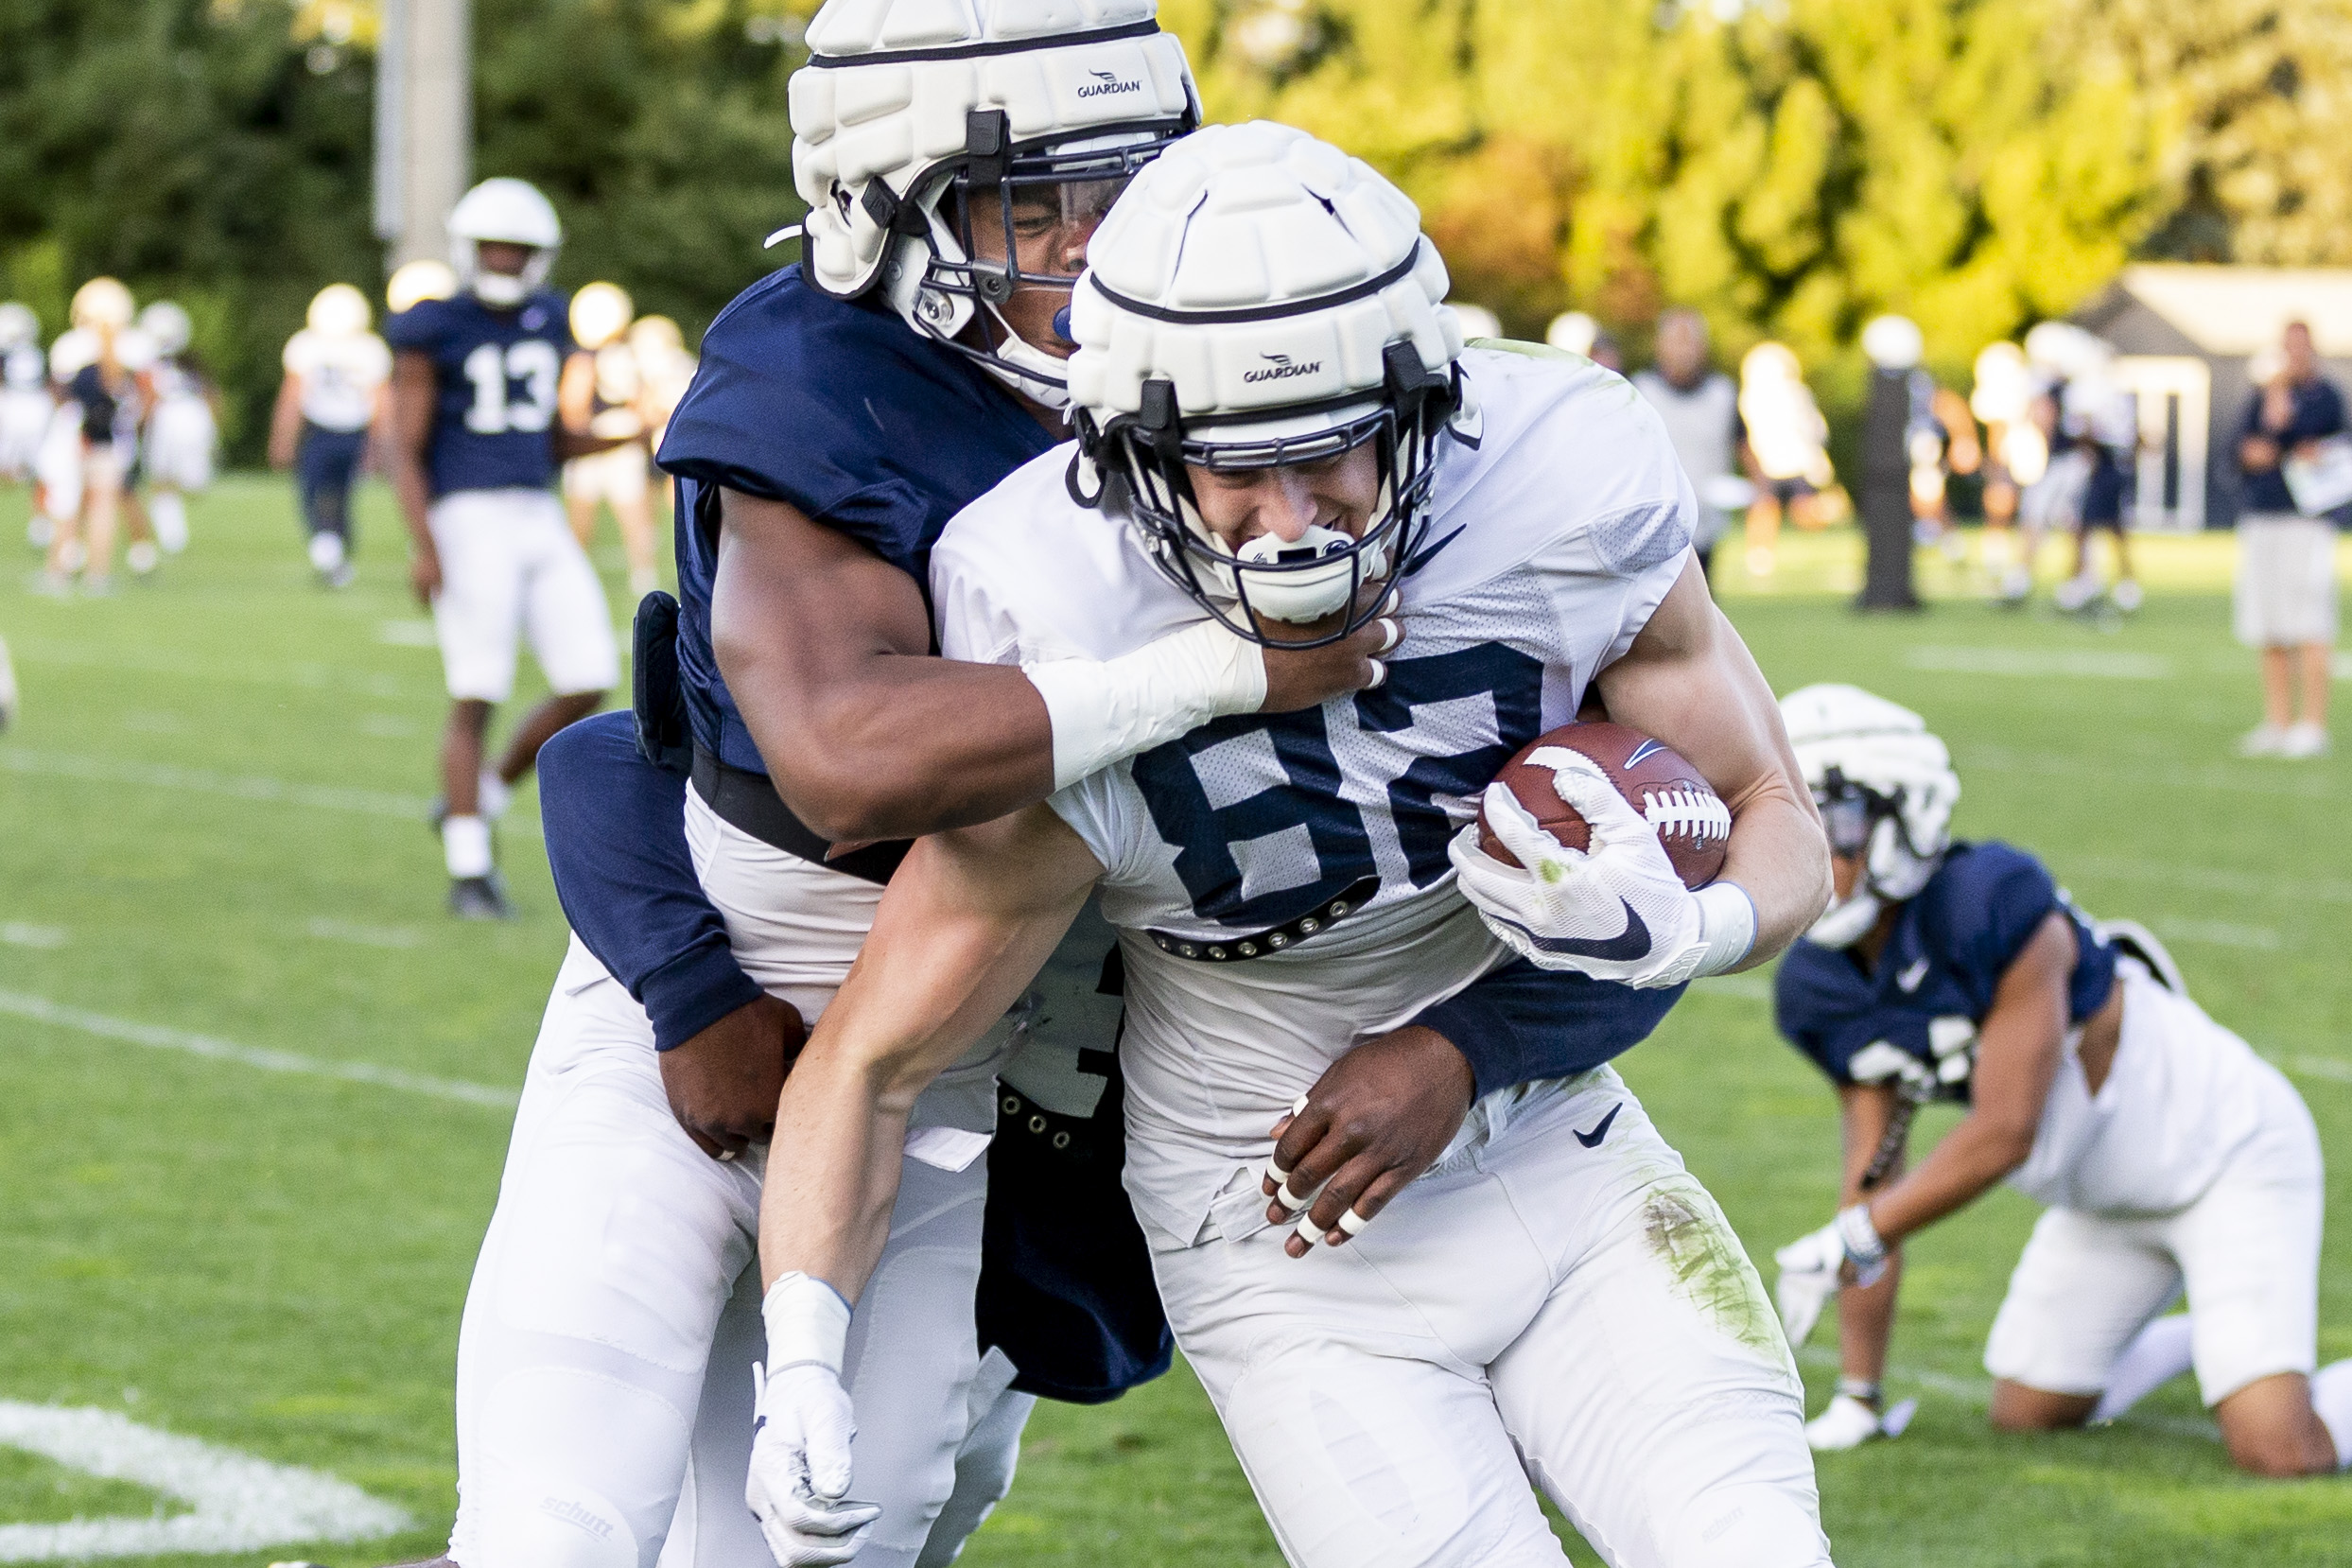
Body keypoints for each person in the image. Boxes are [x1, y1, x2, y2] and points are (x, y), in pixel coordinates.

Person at [747, 121, 1839, 1568]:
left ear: (1417, 409)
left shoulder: (1554, 479)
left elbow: (1776, 818)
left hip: (1562, 1155)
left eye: (1329, 454)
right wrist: (806, 1355)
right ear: (1131, 456)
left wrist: (1688, 931)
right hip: (1273, 1234)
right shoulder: (1054, 607)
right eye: (1232, 473)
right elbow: (875, 1053)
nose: (1290, 520)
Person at [402, 9, 1402, 1568]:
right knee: (553, 1520)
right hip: (748, 977)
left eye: (1124, 186)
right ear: (883, 202)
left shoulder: (1221, 359)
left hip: (965, 1051)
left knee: (818, 1541)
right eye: (1030, 203)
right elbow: (835, 758)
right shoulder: (818, 376)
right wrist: (1217, 672)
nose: (1089, 246)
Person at [1768, 685, 2352, 1475]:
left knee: (2280, 1451)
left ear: (1903, 812)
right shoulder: (1819, 984)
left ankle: (2247, 1355)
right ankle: (2209, 1340)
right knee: (2027, 1413)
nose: (1813, 857)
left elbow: (2006, 1129)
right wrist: (1858, 1394)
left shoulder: (1992, 901)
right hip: (2103, 1196)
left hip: (2225, 1159)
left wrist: (1856, 1236)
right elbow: (1872, 1176)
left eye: (1831, 823)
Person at [383, 178, 621, 919]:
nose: (504, 258)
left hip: (536, 511)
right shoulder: (433, 326)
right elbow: (403, 447)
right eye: (493, 246)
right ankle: (470, 870)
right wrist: (424, 545)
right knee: (477, 689)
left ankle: (476, 797)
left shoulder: (549, 318)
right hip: (466, 517)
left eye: (517, 249)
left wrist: (632, 434)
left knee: (590, 676)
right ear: (466, 248)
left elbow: (544, 436)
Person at [2233, 320, 2344, 758]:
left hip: (2306, 520)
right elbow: (2245, 449)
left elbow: (2304, 442)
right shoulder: (2261, 394)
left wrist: (2277, 447)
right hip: (2264, 517)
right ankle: (2277, 722)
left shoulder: (2325, 396)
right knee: (2269, 624)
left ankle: (2312, 724)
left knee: (2310, 622)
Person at [271, 284, 392, 588]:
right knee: (339, 496)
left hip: (324, 431)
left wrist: (283, 437)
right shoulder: (370, 348)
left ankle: (330, 553)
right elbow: (382, 404)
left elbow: (292, 398)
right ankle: (336, 552)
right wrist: (380, 445)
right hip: (351, 431)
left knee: (316, 494)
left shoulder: (309, 346)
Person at [558, 281, 661, 600]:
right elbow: (646, 405)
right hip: (625, 435)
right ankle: (644, 574)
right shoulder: (630, 353)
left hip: (596, 438)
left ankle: (573, 571)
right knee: (632, 510)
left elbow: (572, 406)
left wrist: (576, 436)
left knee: (582, 508)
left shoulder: (585, 357)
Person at [1634, 307, 1744, 579]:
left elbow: (1742, 443)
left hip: (1706, 521)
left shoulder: (1722, 393)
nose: (1684, 351)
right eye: (1676, 341)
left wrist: (1761, 490)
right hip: (1654, 525)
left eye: (1690, 341)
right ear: (1660, 345)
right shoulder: (1640, 391)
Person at [1738, 340, 1835, 578]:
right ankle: (1760, 554)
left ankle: (1760, 555)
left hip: (1790, 461)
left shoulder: (1787, 395)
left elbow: (1812, 429)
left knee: (1797, 512)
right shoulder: (1759, 396)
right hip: (1773, 462)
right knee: (1765, 508)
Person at [135, 299, 217, 560]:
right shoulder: (192, 362)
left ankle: (172, 536)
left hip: (169, 418)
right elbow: (211, 396)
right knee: (184, 482)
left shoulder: (149, 364)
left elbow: (149, 397)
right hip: (195, 418)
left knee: (163, 480)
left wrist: (138, 426)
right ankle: (173, 536)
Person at [0, 303, 50, 510]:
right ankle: (40, 518)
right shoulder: (37, 353)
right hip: (39, 407)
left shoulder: (6, 356)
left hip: (13, 406)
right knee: (40, 465)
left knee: (12, 463)